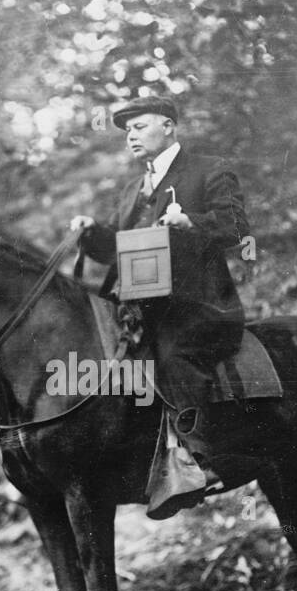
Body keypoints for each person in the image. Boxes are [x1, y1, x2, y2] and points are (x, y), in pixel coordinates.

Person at [70, 95, 250, 517]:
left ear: (168, 126)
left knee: (170, 354)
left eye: (139, 125)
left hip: (198, 307)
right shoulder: (135, 189)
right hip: (137, 310)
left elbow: (238, 227)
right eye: (127, 130)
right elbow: (116, 249)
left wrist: (192, 222)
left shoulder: (208, 170)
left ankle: (199, 459)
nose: (131, 134)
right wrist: (90, 232)